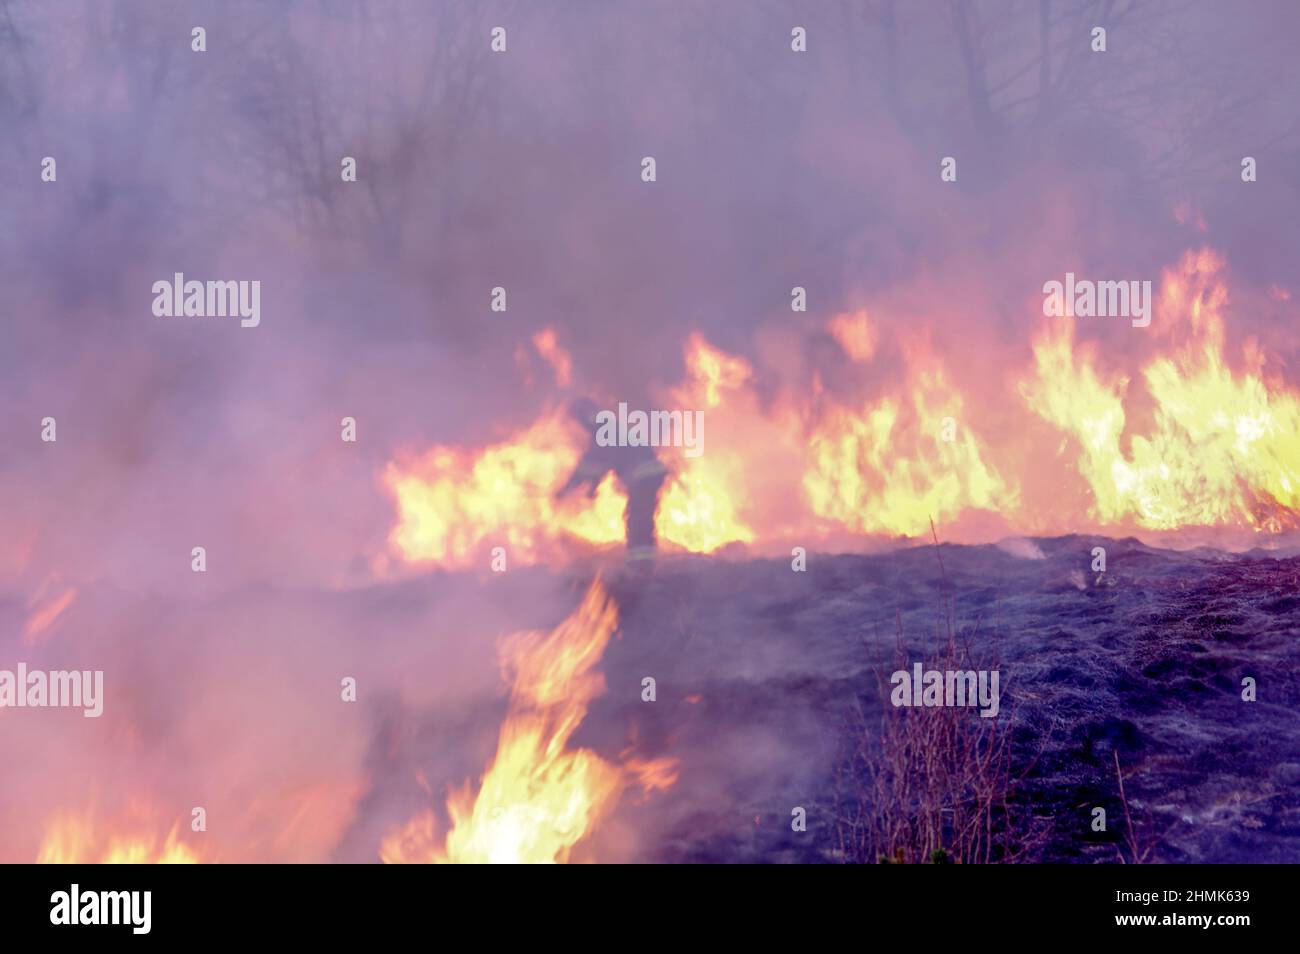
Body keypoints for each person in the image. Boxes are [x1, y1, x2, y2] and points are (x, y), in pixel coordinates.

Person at [557, 398, 668, 560]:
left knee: (637, 521)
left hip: (643, 476)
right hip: (650, 474)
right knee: (640, 519)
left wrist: (565, 490)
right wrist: (592, 487)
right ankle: (644, 564)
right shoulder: (609, 427)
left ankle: (642, 567)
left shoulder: (603, 432)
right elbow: (599, 464)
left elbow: (589, 466)